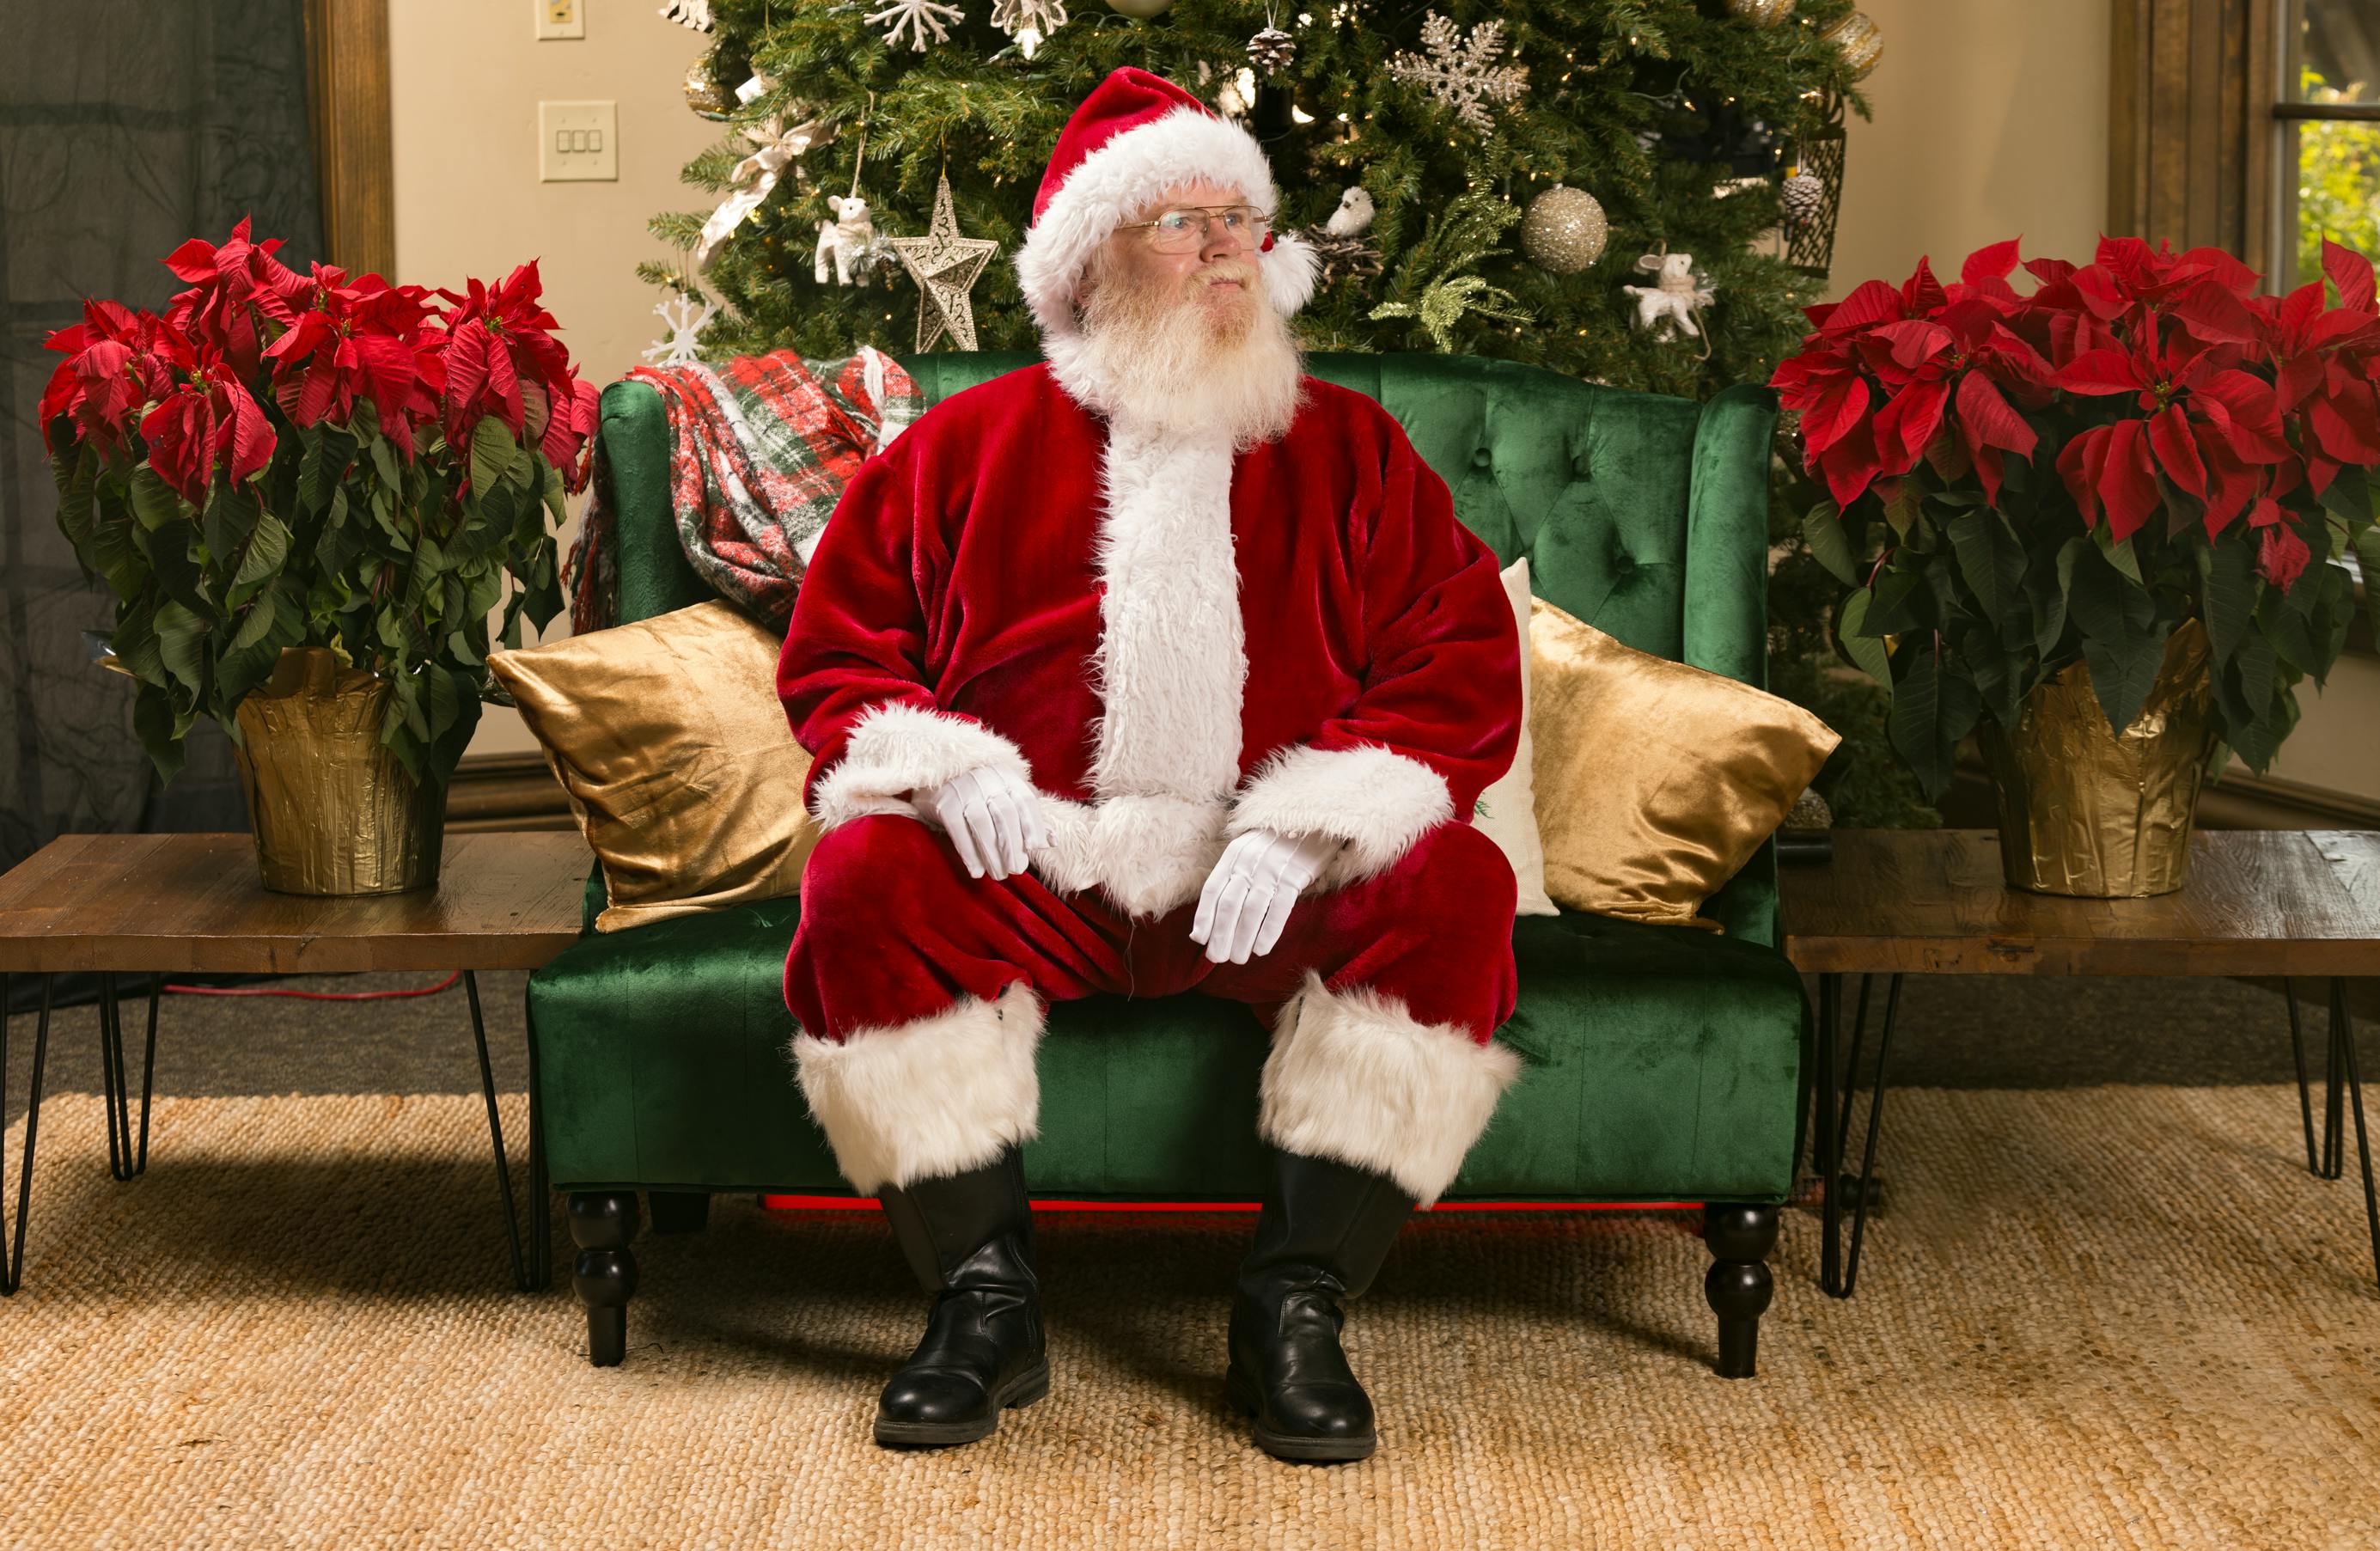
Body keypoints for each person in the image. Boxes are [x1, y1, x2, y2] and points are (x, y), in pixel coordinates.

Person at [777, 64, 1524, 1463]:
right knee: (865, 872)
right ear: (1089, 260)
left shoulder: (1351, 448)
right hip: (1036, 865)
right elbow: (841, 654)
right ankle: (980, 1302)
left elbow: (1458, 658)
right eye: (1182, 219)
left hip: (1259, 878)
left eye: (1238, 217)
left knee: (1456, 884)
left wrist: (1309, 827)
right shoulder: (960, 449)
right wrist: (936, 769)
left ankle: (1297, 1304)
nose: (1226, 245)